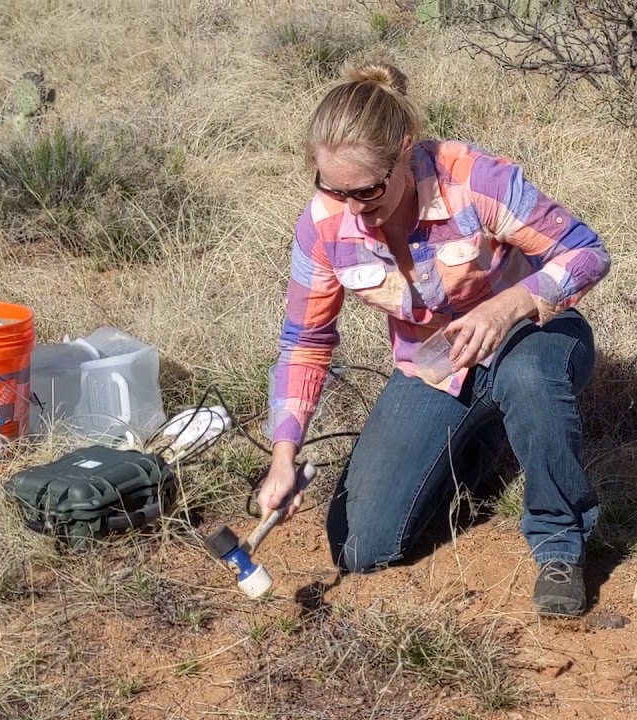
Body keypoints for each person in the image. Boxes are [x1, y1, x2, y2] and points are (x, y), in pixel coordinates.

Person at [256, 60, 612, 617]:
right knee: (362, 547)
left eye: (368, 191)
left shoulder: (474, 180)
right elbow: (306, 339)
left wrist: (507, 306)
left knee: (527, 377)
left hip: (535, 334)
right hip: (437, 363)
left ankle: (559, 542)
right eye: (333, 188)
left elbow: (588, 252)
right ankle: (489, 439)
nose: (353, 210)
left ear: (404, 150)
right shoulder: (324, 225)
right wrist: (284, 453)